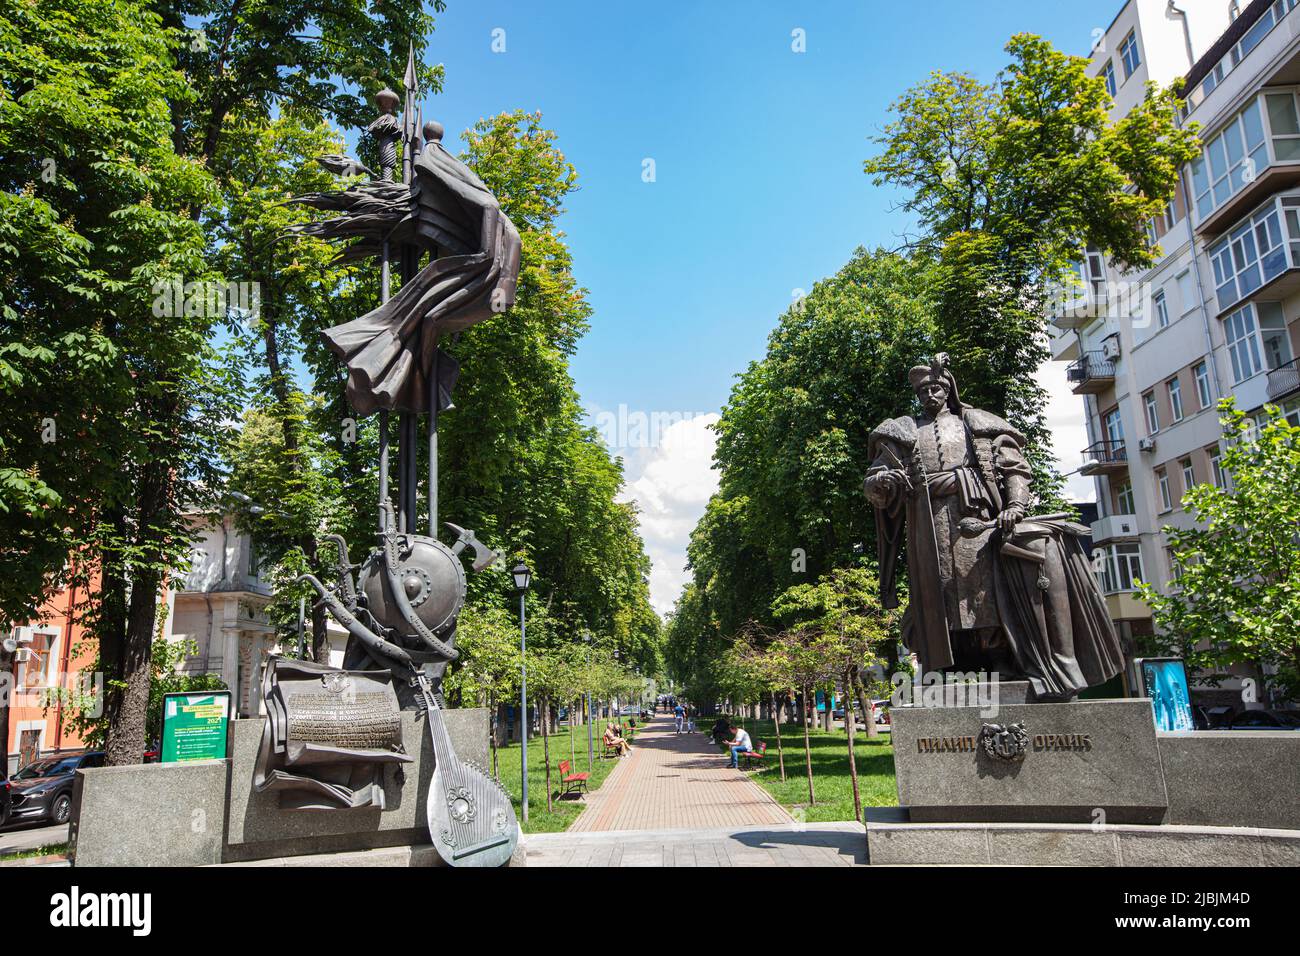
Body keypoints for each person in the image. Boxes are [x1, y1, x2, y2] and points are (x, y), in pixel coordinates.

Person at [863, 353, 1123, 699]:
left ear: (949, 389)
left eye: (937, 387)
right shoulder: (903, 431)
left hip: (977, 518)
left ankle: (1002, 654)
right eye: (923, 390)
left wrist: (1015, 505)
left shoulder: (976, 423)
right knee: (938, 591)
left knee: (985, 589)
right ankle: (947, 664)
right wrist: (884, 480)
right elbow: (875, 483)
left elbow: (1014, 467)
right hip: (927, 524)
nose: (930, 395)